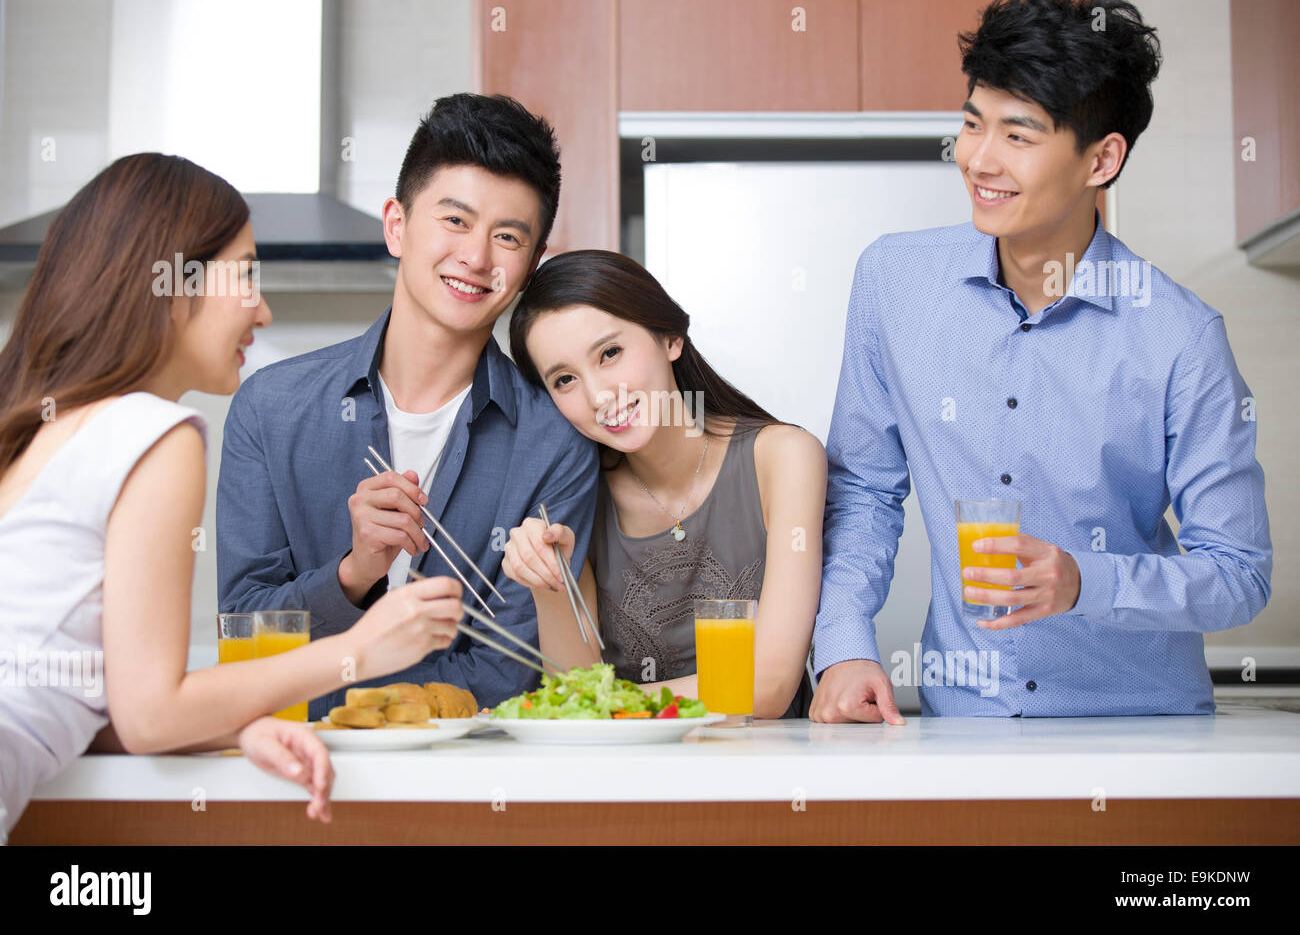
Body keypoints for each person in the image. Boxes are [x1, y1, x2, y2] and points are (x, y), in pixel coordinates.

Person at [811, 0, 1272, 722]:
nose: (979, 160)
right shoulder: (893, 283)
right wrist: (843, 644)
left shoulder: (1181, 339)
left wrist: (1087, 580)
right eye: (972, 124)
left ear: (1102, 159)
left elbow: (1239, 573)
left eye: (1018, 137)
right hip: (965, 720)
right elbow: (865, 490)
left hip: (1140, 730)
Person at [0, 153, 464, 842]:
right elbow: (150, 711)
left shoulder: (43, 428)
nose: (264, 307)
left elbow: (72, 701)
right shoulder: (155, 433)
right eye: (245, 273)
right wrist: (362, 650)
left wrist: (227, 727)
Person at [216, 94, 599, 718]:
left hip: (468, 782)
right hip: (290, 762)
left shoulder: (555, 443)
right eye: (455, 220)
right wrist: (352, 572)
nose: (476, 258)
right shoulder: (270, 408)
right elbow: (245, 634)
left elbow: (510, 669)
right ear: (397, 225)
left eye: (507, 237)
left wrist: (356, 700)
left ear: (528, 268)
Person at [502, 250, 825, 718]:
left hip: (770, 775)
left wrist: (607, 705)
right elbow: (572, 690)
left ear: (669, 338)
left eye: (610, 353)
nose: (598, 396)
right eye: (565, 379)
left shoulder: (783, 457)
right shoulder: (578, 494)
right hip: (633, 782)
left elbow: (769, 685)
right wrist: (549, 584)